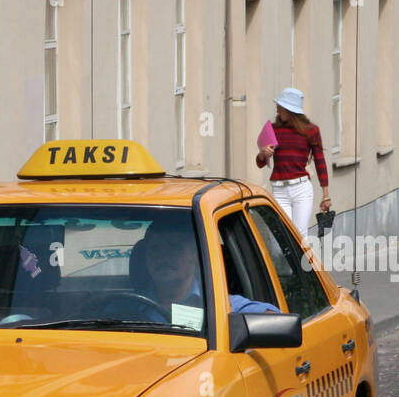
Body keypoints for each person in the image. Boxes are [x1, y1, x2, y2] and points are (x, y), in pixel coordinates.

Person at [128, 224, 279, 325]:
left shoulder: (218, 304)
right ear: (145, 257)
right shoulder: (126, 306)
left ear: (195, 255)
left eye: (173, 248)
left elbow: (275, 321)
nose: (163, 258)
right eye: (155, 249)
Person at [256, 88, 332, 235]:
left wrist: (326, 195)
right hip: (279, 190)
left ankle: (303, 251)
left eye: (280, 106)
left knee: (300, 234)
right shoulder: (273, 129)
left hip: (301, 189)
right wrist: (262, 153)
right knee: (284, 234)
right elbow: (260, 163)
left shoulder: (311, 130)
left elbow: (320, 162)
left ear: (289, 109)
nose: (277, 110)